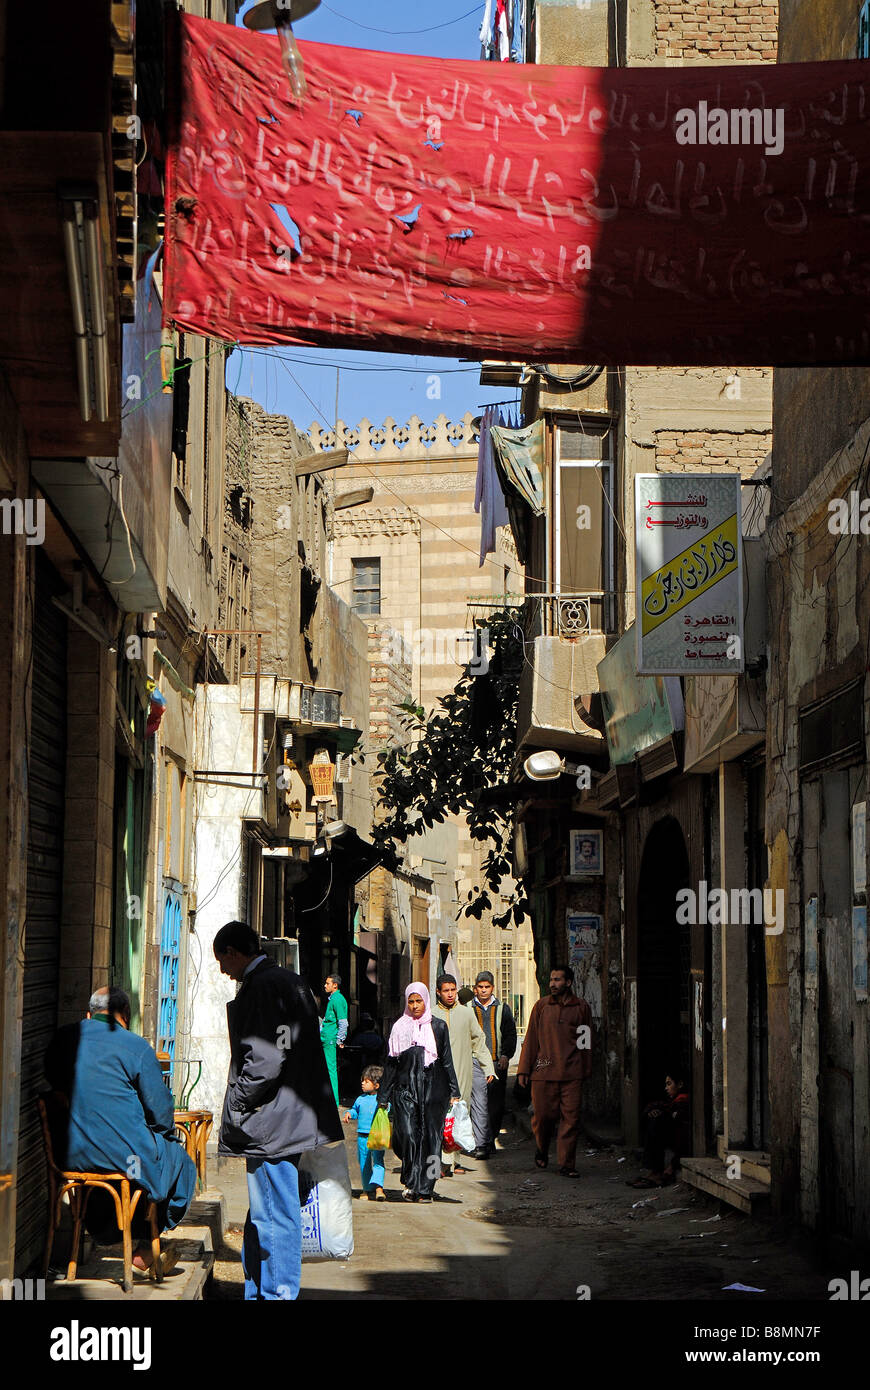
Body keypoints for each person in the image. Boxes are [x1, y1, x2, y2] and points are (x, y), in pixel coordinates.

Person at [213, 920, 343, 1300]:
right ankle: (260, 1290)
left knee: (274, 1214)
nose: (223, 970)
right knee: (264, 1212)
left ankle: (277, 1293)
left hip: (273, 1121)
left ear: (235, 953)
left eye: (223, 960)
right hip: (286, 1117)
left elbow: (266, 1061)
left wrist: (237, 1102)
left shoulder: (264, 987)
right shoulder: (290, 981)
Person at [43, 986, 195, 1278]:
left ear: (89, 1014)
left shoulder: (64, 1038)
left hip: (71, 1158)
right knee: (179, 1161)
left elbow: (54, 1081)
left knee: (142, 1167)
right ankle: (145, 1249)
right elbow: (161, 1114)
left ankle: (111, 1233)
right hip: (127, 1162)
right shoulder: (136, 1047)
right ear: (125, 1015)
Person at [378, 982, 460, 1202]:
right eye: (411, 1001)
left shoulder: (439, 1027)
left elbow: (447, 1060)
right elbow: (391, 1064)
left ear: (426, 1000)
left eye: (418, 1001)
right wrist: (383, 1096)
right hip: (405, 1090)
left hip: (434, 1091)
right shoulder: (399, 1027)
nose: (415, 1006)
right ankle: (412, 1180)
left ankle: (426, 1188)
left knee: (432, 1140)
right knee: (407, 1134)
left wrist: (454, 1090)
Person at [517, 966, 592, 1179]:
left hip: (572, 1073)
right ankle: (542, 1147)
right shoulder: (541, 1007)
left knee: (571, 1119)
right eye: (551, 979)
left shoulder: (581, 1008)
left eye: (557, 980)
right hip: (543, 1071)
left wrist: (585, 1069)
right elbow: (531, 1039)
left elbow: (585, 1041)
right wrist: (524, 1069)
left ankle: (567, 1164)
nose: (552, 984)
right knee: (543, 1116)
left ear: (568, 982)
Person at [432, 974, 495, 1177]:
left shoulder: (466, 1014)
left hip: (463, 1071)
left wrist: (488, 1068)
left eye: (453, 990)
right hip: (438, 1074)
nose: (450, 994)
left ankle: (455, 1160)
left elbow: (478, 1040)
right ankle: (442, 1162)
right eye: (446, 991)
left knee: (460, 1114)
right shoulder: (431, 1015)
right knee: (440, 1115)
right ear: (438, 992)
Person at [471, 970, 518, 1154]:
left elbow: (510, 1034)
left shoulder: (502, 1009)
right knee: (478, 1103)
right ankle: (481, 1142)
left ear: (492, 988)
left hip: (497, 1063)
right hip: (475, 1062)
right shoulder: (468, 1009)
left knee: (495, 1104)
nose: (483, 991)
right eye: (480, 987)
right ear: (475, 989)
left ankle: (490, 1138)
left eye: (487, 987)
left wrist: (506, 1055)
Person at [628, 1073, 691, 1188]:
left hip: (682, 1145)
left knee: (657, 1121)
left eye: (669, 1084)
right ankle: (655, 1171)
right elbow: (662, 1106)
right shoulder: (674, 1101)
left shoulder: (684, 1101)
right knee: (654, 1118)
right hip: (674, 1142)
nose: (666, 1088)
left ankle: (659, 1171)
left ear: (680, 1084)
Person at [342, 1064, 386, 1201]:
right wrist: (349, 1113)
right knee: (364, 1164)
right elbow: (355, 1110)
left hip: (377, 1136)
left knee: (378, 1161)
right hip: (362, 1137)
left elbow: (388, 1110)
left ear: (376, 1085)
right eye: (362, 1080)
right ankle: (366, 1190)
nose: (362, 1083)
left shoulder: (382, 1100)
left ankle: (379, 1189)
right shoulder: (360, 1099)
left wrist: (386, 1106)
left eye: (366, 1081)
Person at [321, 973, 349, 1105]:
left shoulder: (337, 999)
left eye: (327, 983)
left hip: (330, 1038)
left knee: (330, 1069)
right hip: (328, 1037)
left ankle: (333, 1101)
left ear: (335, 985)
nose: (325, 985)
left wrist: (339, 1040)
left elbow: (343, 1022)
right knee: (328, 1068)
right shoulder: (334, 998)